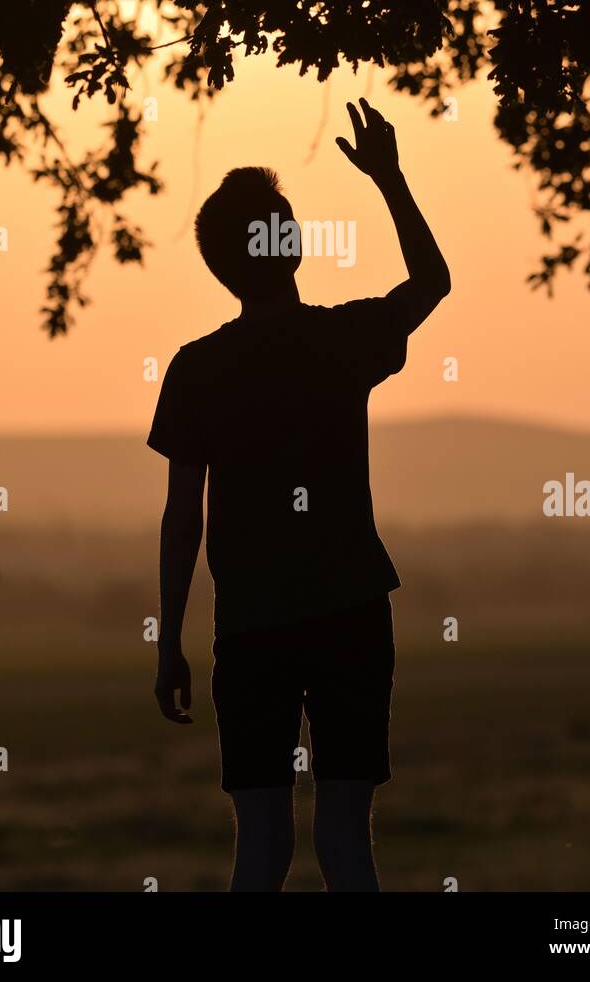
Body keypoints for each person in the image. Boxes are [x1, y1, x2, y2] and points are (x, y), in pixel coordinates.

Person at [149, 98, 451, 891]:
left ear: (219, 266)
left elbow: (183, 520)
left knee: (261, 845)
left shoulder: (197, 369)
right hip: (352, 610)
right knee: (346, 839)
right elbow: (433, 281)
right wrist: (389, 178)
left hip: (251, 625)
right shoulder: (343, 339)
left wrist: (168, 640)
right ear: (294, 245)